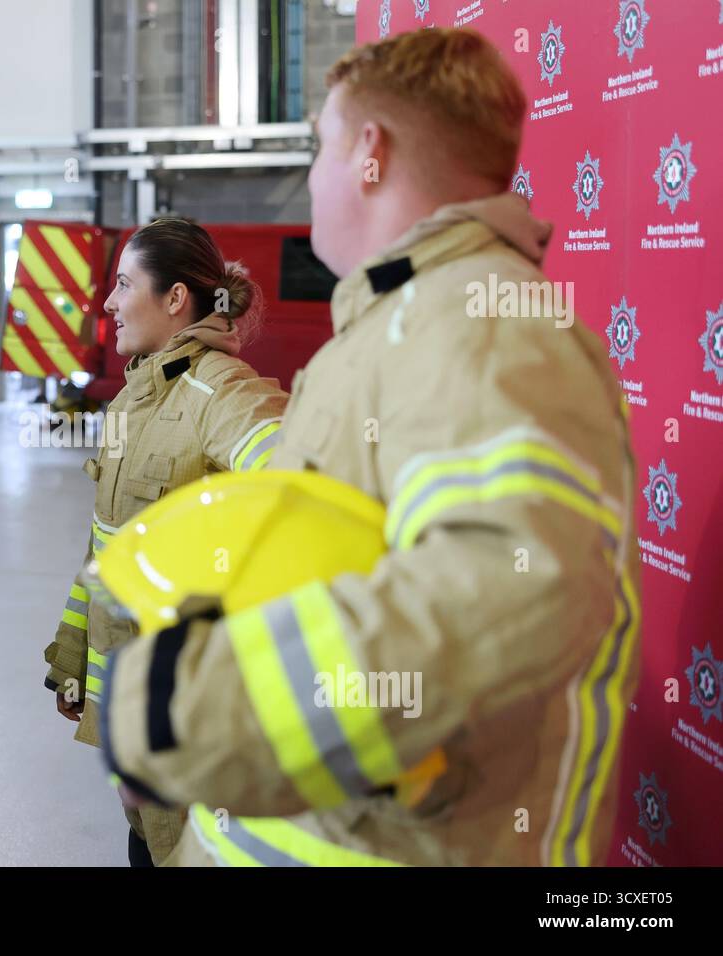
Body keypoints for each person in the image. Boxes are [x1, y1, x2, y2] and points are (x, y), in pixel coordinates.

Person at [99, 27, 642, 867]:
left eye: (320, 147)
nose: (311, 179)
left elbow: (514, 588)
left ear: (369, 152)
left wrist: (189, 713)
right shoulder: (408, 325)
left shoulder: (482, 325)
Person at [43, 217, 288, 866]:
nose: (109, 301)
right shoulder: (132, 401)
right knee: (145, 843)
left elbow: (298, 483)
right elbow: (105, 545)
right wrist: (74, 653)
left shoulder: (218, 391)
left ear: (176, 298)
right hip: (131, 705)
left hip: (191, 717)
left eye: (124, 284)